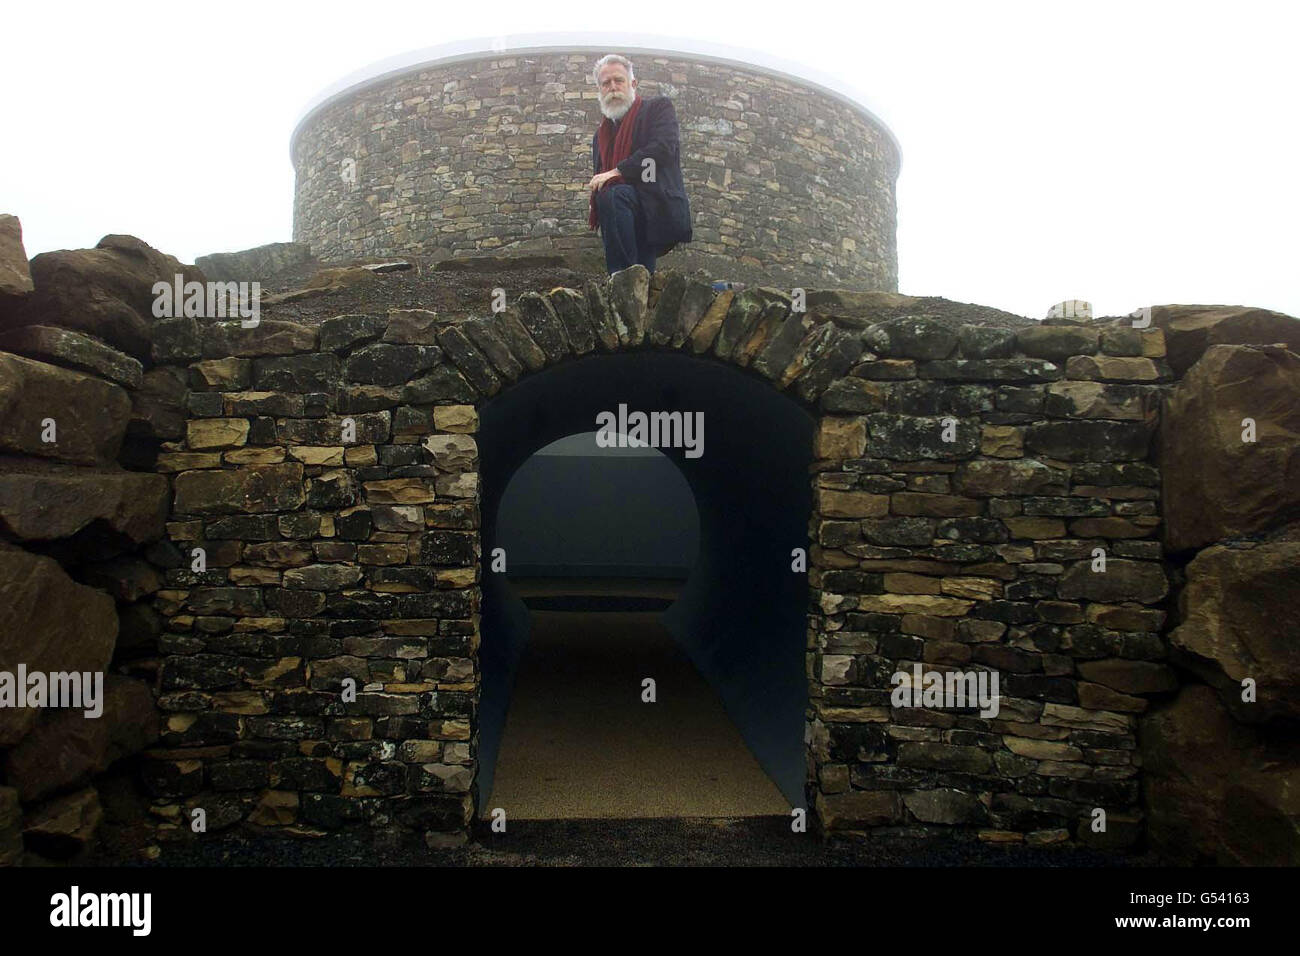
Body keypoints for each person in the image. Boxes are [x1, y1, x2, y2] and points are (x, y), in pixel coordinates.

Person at [587, 54, 693, 274]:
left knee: (613, 194)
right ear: (600, 90)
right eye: (606, 83)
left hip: (656, 203)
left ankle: (623, 279)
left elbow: (663, 149)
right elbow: (601, 177)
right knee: (609, 196)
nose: (613, 87)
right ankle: (632, 284)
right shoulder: (601, 137)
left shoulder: (656, 109)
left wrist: (618, 171)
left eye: (619, 80)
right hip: (622, 212)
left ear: (632, 84)